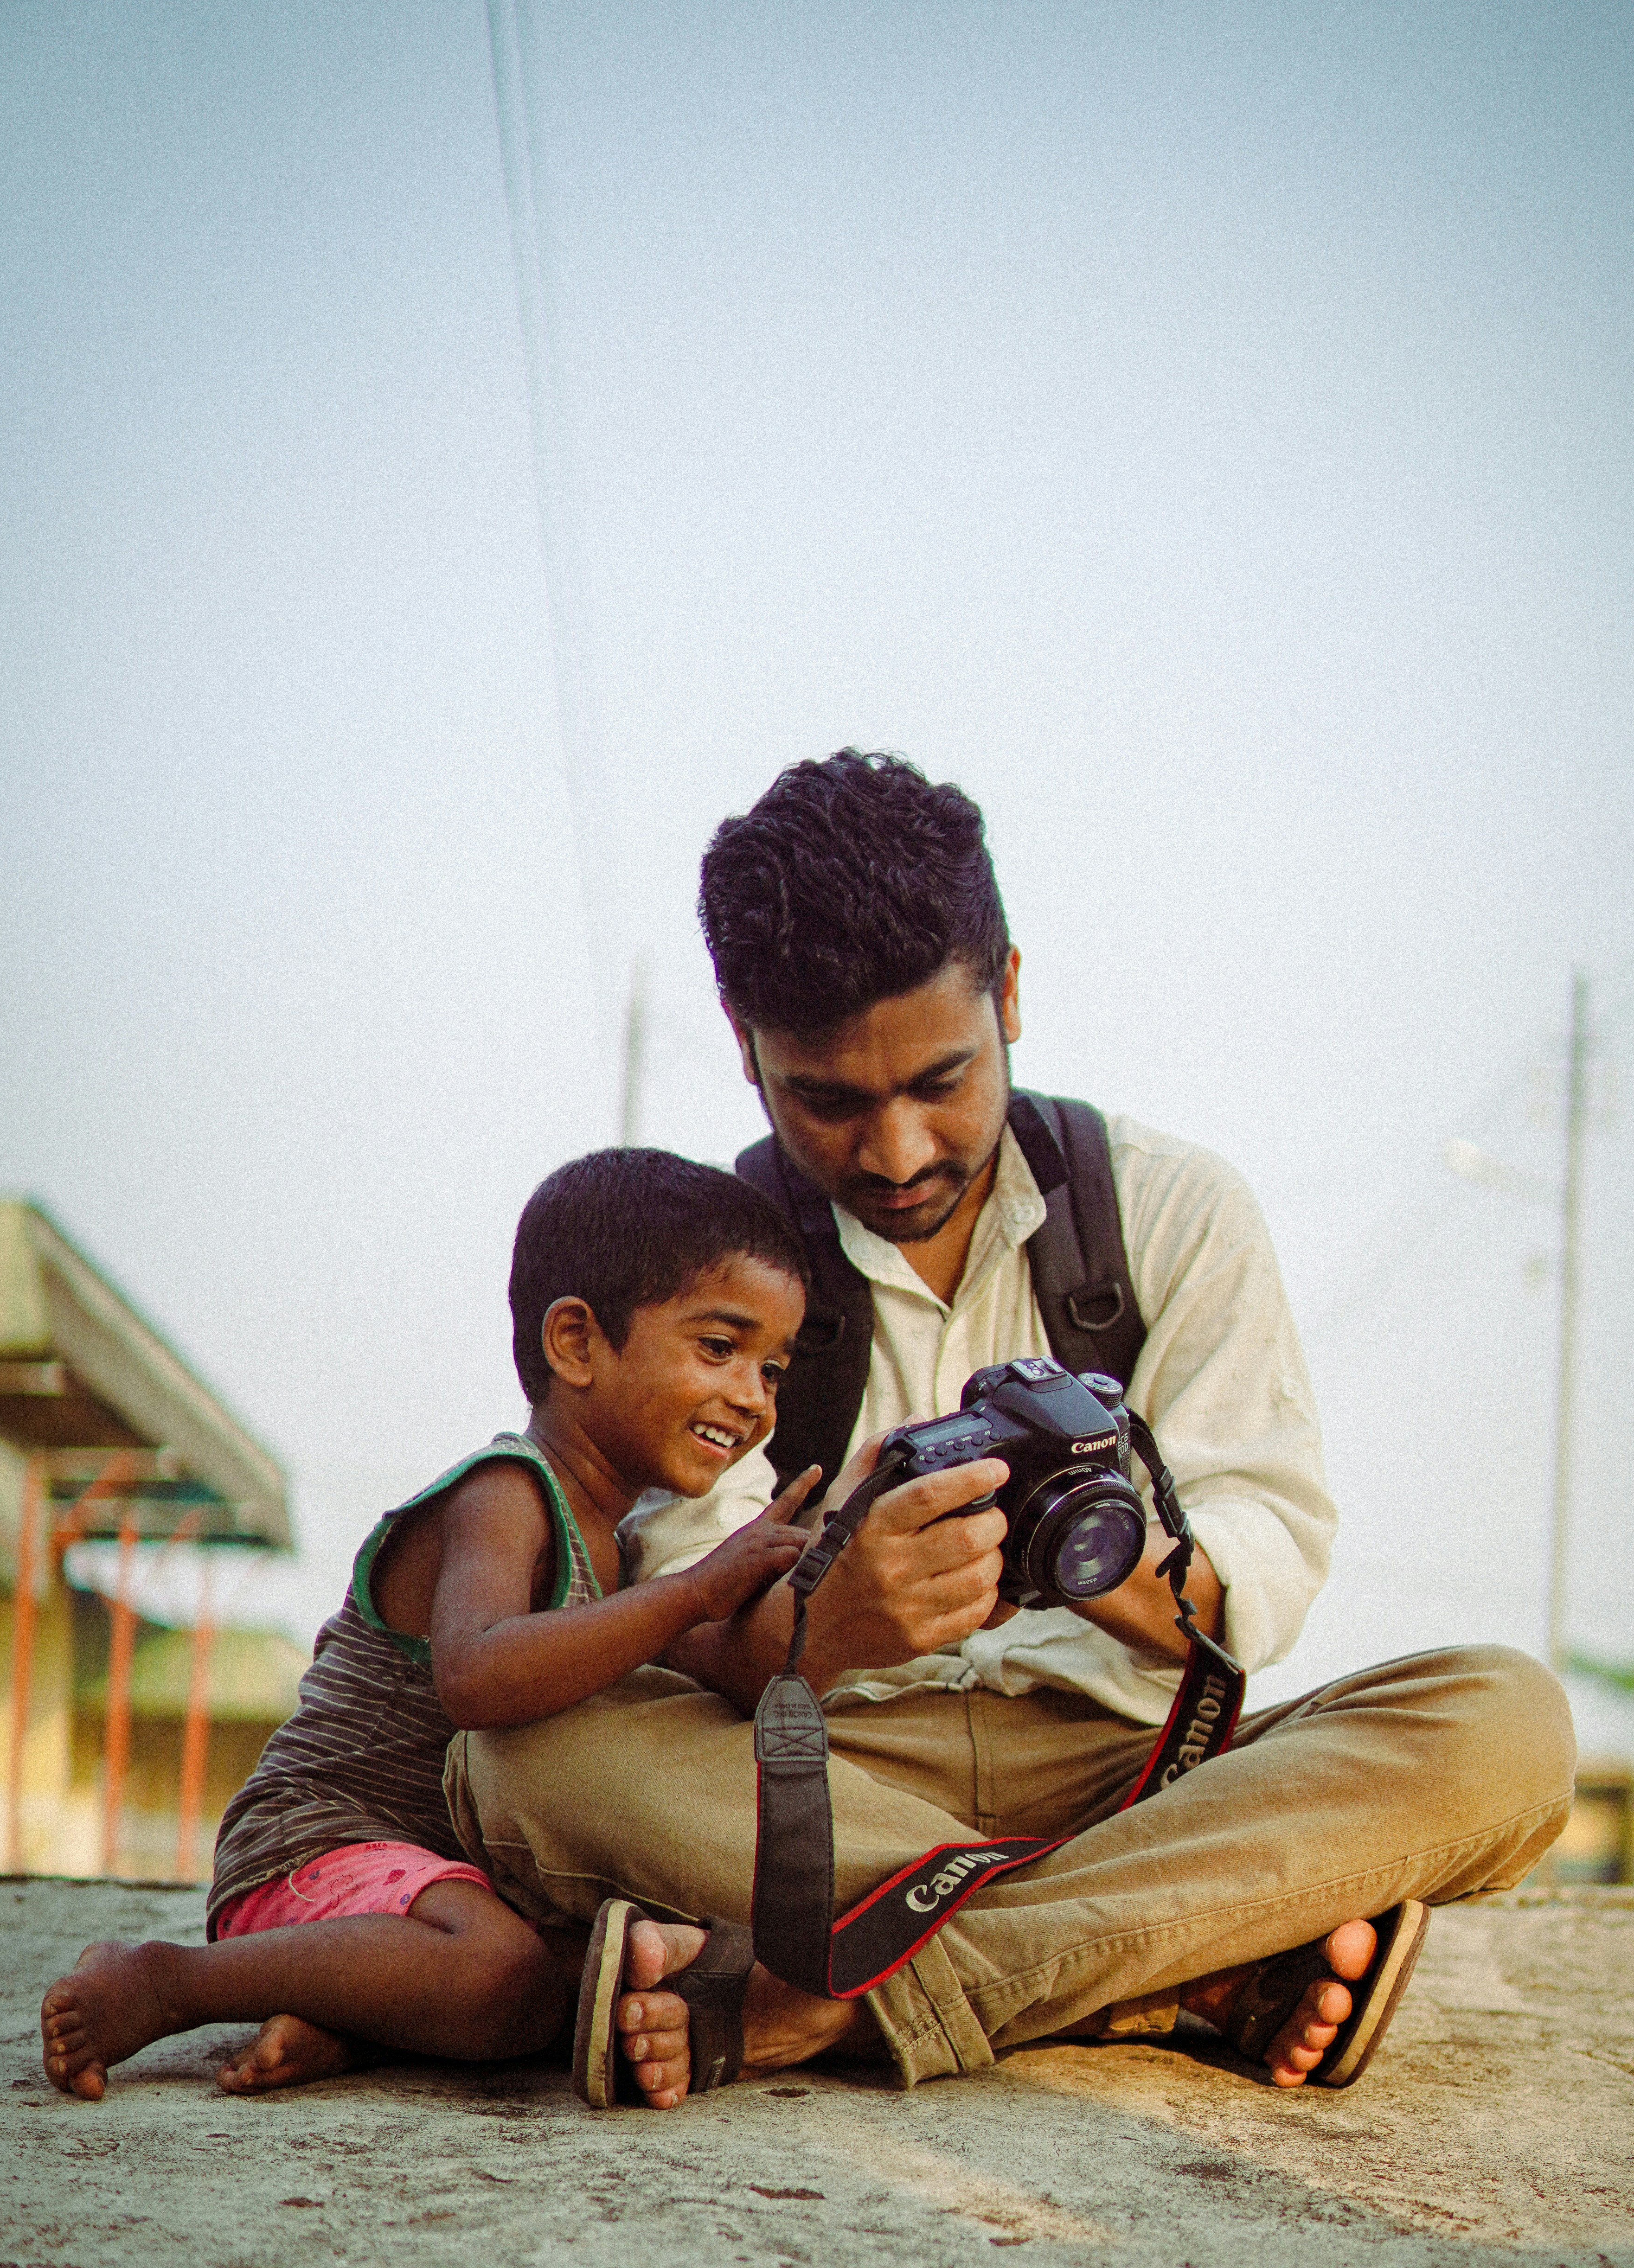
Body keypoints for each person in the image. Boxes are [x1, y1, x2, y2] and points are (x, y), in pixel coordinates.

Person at [450, 753, 1576, 2106]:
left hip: (1138, 1769)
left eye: (944, 1078)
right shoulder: (717, 1275)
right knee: (519, 1758)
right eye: (832, 1101)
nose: (902, 1150)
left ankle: (834, 1994)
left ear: (1013, 995)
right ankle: (1185, 1963)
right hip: (830, 1782)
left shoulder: (1169, 1212)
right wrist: (830, 1621)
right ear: (745, 1049)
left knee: (1507, 1727)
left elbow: (1257, 1565)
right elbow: (686, 1629)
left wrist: (1099, 1565)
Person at [38, 1150, 819, 2102]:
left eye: (773, 1368)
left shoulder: (621, 1540)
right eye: (719, 1349)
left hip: (438, 1891)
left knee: (631, 1970)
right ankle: (166, 1982)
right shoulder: (505, 1494)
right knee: (502, 1973)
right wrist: (692, 1595)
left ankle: (357, 2022)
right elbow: (476, 1678)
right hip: (316, 1847)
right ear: (574, 1343)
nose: (753, 1397)